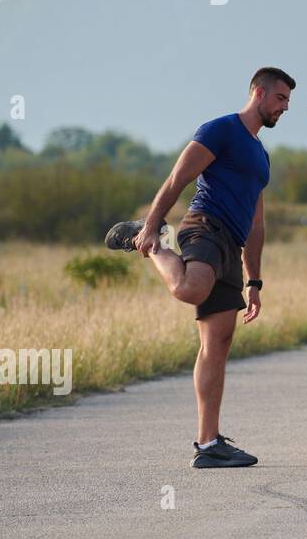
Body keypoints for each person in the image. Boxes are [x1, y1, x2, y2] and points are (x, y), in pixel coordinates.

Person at [104, 66, 294, 467]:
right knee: (189, 288)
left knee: (217, 344)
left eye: (288, 102)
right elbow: (177, 179)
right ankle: (148, 241)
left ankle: (208, 445)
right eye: (280, 98)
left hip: (233, 245)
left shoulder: (261, 155)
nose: (285, 107)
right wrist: (153, 227)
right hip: (204, 227)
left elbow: (257, 224)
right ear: (258, 94)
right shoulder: (220, 130)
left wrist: (255, 280)